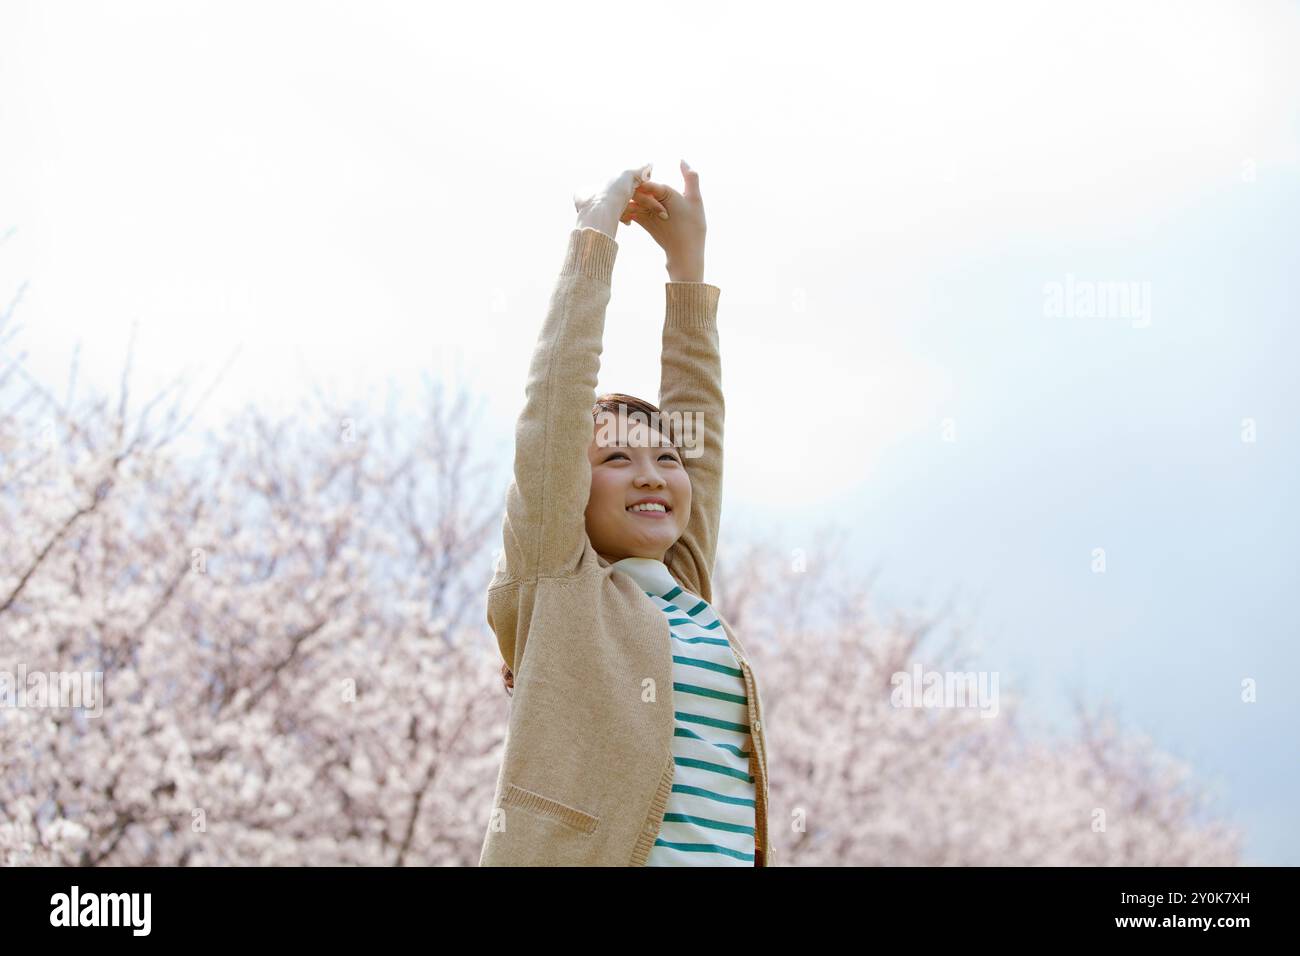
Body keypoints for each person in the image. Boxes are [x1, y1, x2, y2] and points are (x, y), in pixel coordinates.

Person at [480, 162, 774, 867]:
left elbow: (696, 417)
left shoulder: (685, 591)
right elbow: (554, 405)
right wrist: (594, 240)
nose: (652, 473)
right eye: (615, 460)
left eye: (666, 459)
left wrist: (687, 267)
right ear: (572, 489)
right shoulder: (557, 582)